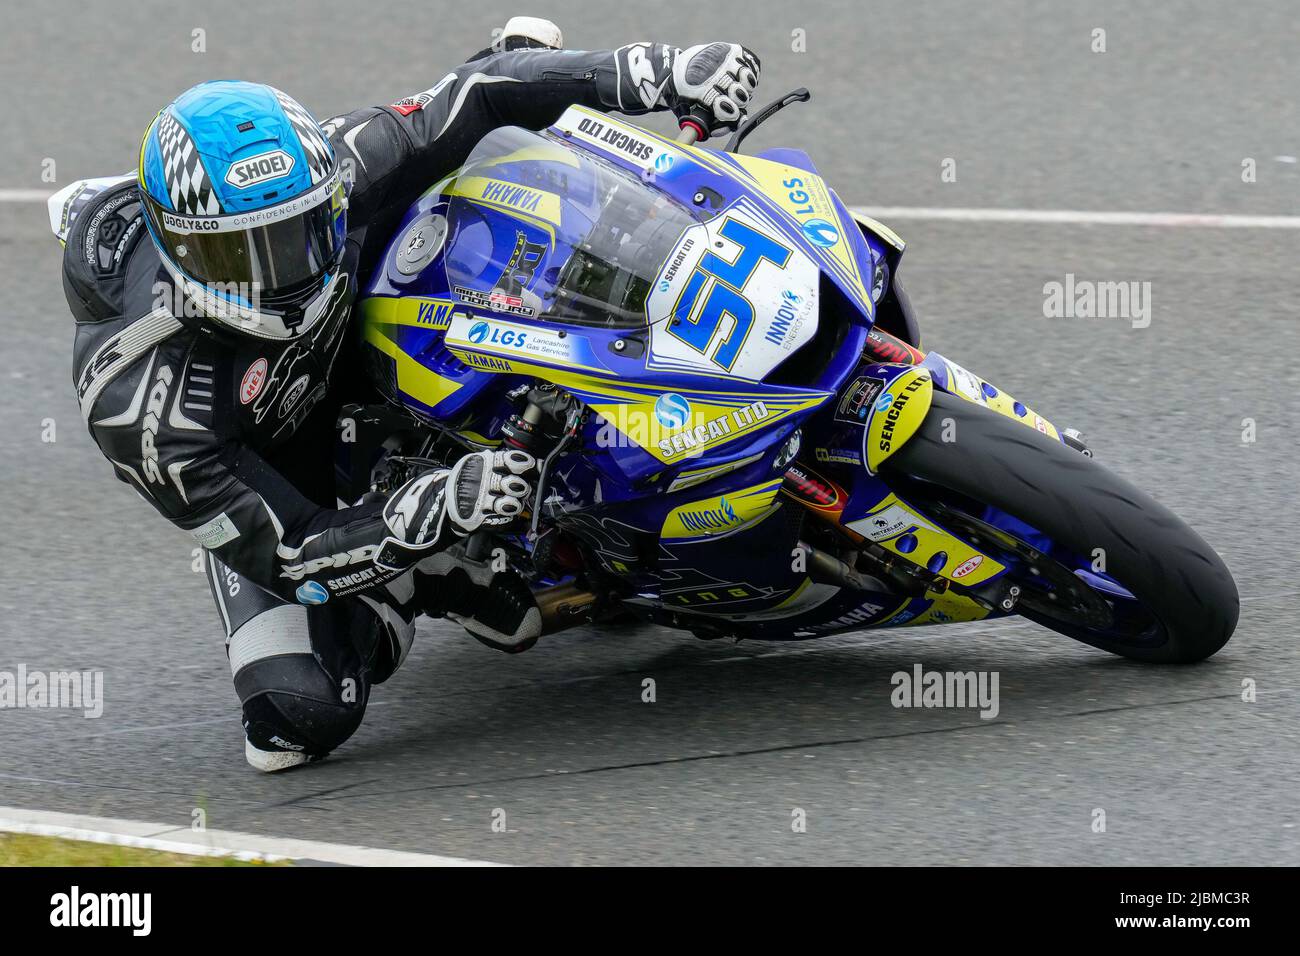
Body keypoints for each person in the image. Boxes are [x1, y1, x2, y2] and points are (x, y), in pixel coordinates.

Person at [51, 20, 761, 771]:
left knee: (488, 156)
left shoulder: (339, 164)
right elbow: (294, 551)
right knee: (297, 718)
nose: (288, 270)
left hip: (372, 342)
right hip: (284, 484)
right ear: (181, 250)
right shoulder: (140, 399)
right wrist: (433, 514)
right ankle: (426, 579)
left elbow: (475, 96)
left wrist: (653, 71)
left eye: (303, 231)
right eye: (246, 252)